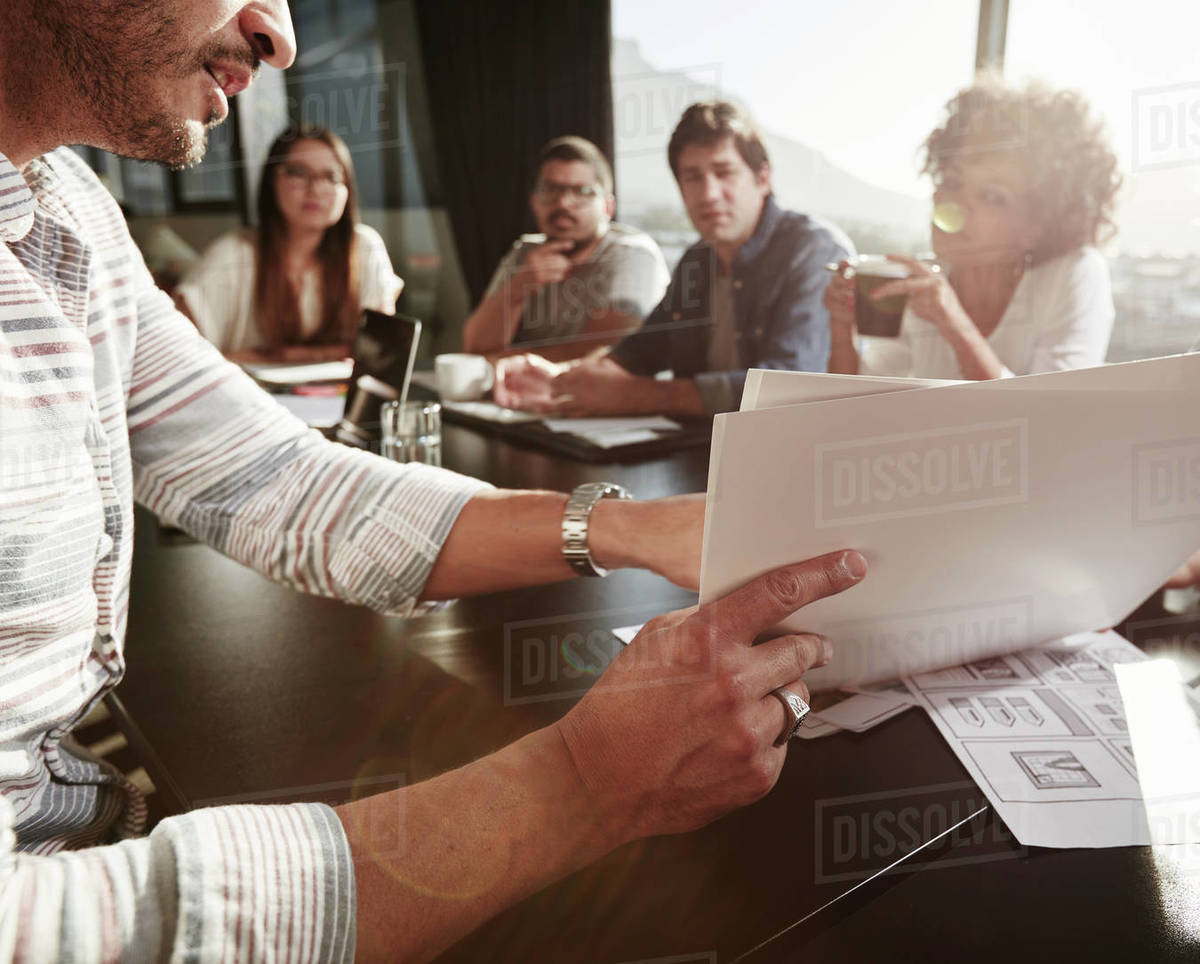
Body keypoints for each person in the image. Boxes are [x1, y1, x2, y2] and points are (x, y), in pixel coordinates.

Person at [0, 2, 868, 960]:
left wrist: (627, 527)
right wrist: (580, 787)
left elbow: (279, 478)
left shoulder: (73, 211)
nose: (280, 34)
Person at [494, 101, 855, 416]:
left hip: (784, 456)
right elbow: (640, 352)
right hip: (700, 452)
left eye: (724, 172)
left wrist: (634, 396)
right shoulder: (698, 259)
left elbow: (789, 385)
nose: (709, 193)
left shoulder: (814, 251)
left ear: (762, 178)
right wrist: (561, 378)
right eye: (693, 177)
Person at [825, 77, 1122, 380]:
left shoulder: (1073, 274)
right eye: (953, 182)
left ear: (1038, 226)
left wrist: (954, 324)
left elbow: (1048, 406)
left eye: (992, 197)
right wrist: (842, 328)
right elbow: (865, 400)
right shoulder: (922, 286)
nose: (956, 205)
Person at [176, 124, 403, 361]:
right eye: (298, 173)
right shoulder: (232, 255)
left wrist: (283, 356)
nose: (316, 189)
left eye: (331, 177)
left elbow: (381, 353)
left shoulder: (364, 247)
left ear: (347, 189)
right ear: (271, 181)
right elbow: (180, 356)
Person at [462, 135, 669, 362]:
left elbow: (607, 351)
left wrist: (500, 361)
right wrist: (518, 287)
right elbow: (474, 347)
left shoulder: (632, 253)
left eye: (582, 191)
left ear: (608, 207)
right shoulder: (525, 252)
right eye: (550, 189)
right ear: (534, 202)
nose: (562, 202)